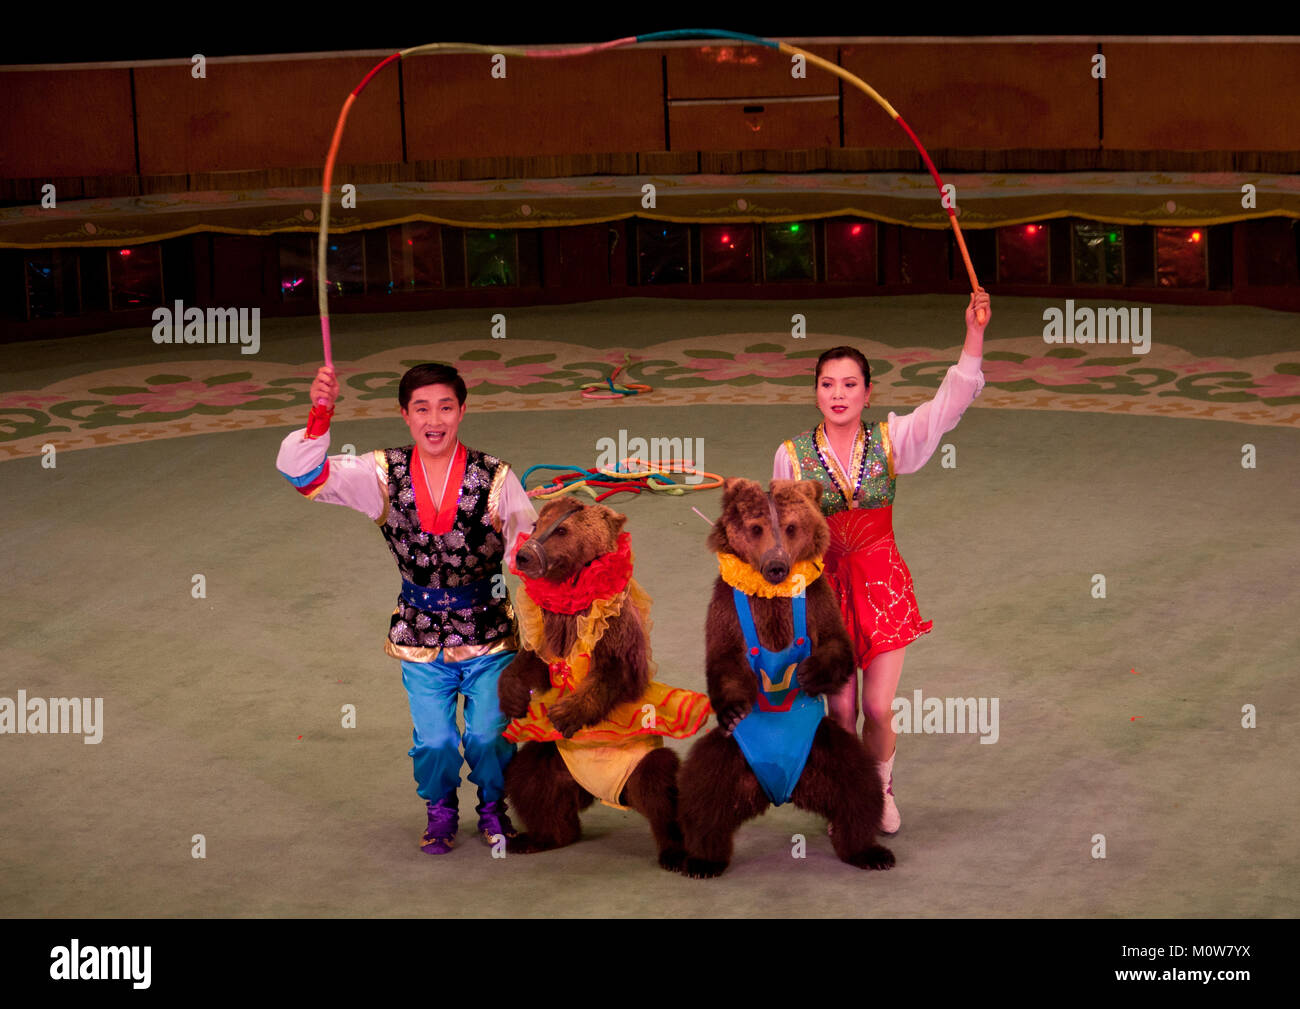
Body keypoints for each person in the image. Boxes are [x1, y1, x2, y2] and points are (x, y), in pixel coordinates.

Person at [276, 362, 538, 854]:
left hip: (490, 635)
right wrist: (320, 412)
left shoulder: (496, 477)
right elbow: (305, 475)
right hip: (419, 638)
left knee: (487, 735)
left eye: (445, 407)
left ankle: (492, 807)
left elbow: (525, 553)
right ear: (404, 414)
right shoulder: (380, 473)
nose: (433, 419)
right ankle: (439, 810)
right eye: (421, 408)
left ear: (462, 411)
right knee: (435, 742)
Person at [772, 291, 990, 834]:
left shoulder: (893, 440)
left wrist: (974, 334)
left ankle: (882, 787)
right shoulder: (792, 455)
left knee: (879, 707)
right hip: (825, 593)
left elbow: (949, 404)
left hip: (883, 585)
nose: (838, 394)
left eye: (850, 384)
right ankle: (850, 796)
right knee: (840, 712)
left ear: (868, 393)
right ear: (815, 392)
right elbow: (782, 531)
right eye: (827, 384)